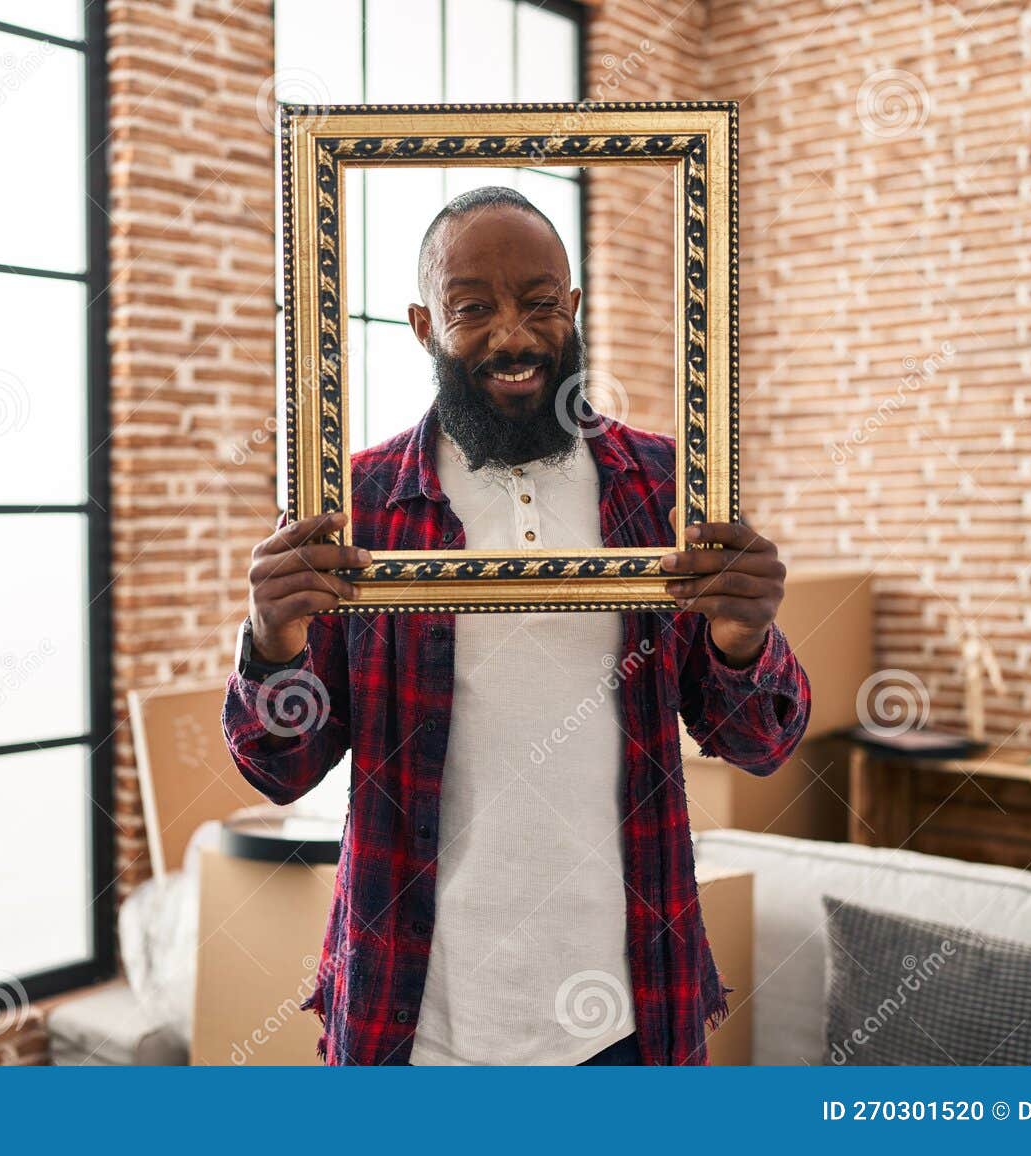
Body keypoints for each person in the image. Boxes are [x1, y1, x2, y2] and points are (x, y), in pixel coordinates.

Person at [222, 186, 812, 1065]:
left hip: (628, 1016)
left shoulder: (662, 484)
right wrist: (272, 640)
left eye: (540, 304)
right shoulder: (358, 504)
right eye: (473, 309)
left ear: (572, 310)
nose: (513, 335)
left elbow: (760, 742)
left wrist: (742, 639)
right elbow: (280, 766)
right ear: (424, 325)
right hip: (414, 1021)